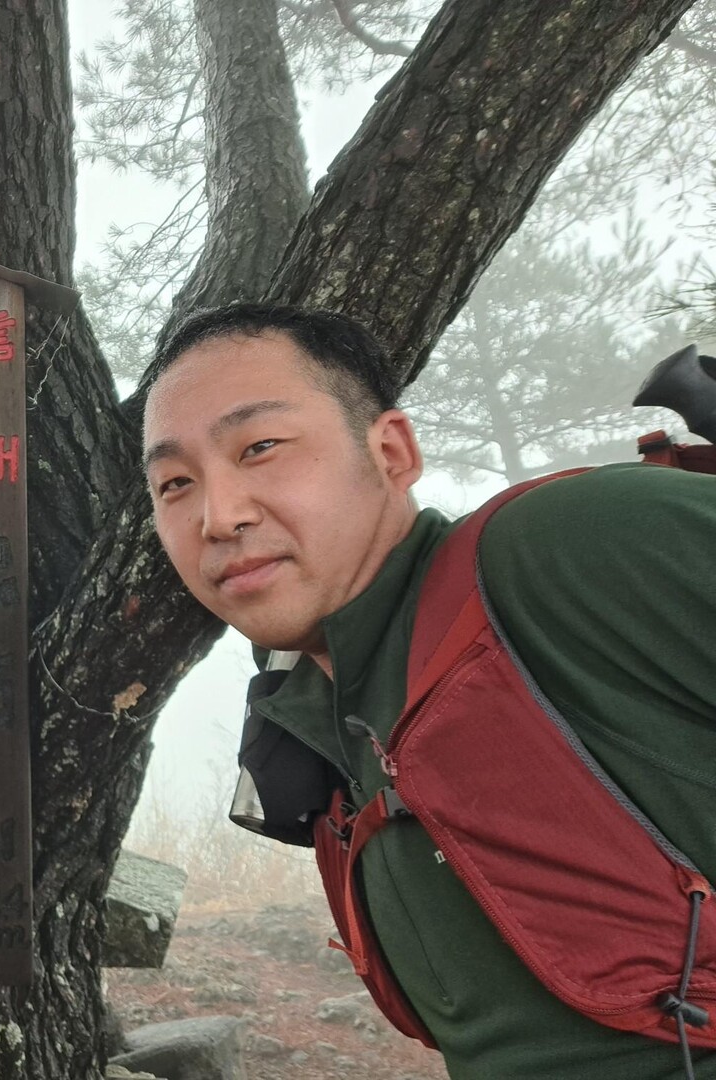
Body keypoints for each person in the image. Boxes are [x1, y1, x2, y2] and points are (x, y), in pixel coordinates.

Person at [142, 302, 716, 1079]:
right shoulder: (318, 737)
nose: (219, 515)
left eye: (262, 446)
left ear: (391, 452)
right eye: (175, 483)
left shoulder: (568, 549)